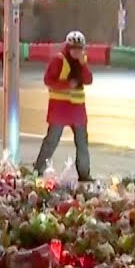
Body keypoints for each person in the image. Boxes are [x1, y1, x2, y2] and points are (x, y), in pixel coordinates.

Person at [33, 30, 93, 181]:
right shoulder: (58, 60)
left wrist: (82, 63)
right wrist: (67, 85)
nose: (77, 52)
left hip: (77, 111)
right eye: (74, 49)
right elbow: (48, 81)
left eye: (80, 49)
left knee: (82, 143)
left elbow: (88, 79)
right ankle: (38, 169)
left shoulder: (82, 61)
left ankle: (84, 174)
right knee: (51, 141)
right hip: (60, 110)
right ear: (68, 47)